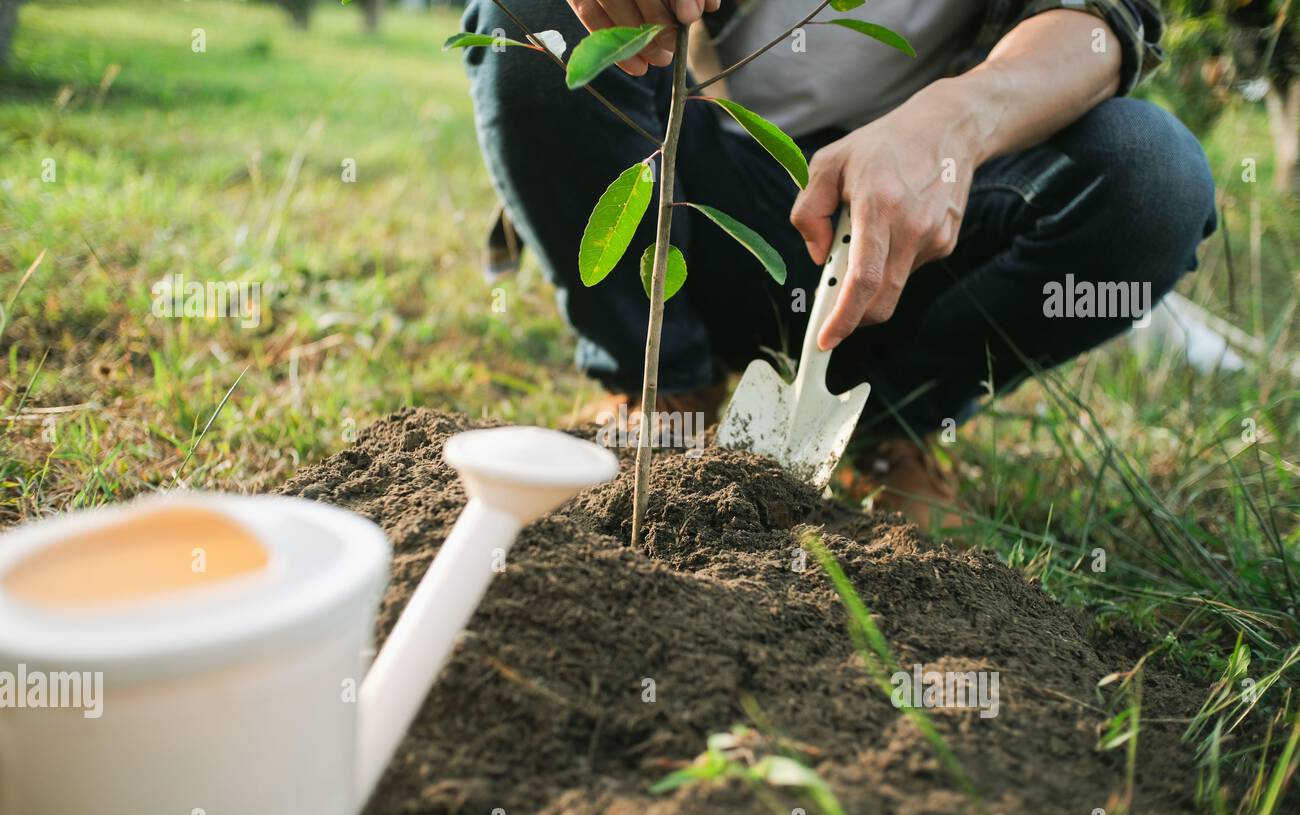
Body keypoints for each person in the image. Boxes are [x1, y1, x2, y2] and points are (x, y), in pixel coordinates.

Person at [459, 0, 1216, 530]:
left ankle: (890, 425)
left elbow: (1103, 21)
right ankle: (661, 386)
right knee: (532, 14)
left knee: (1153, 176)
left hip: (935, 230)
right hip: (718, 193)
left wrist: (952, 124)